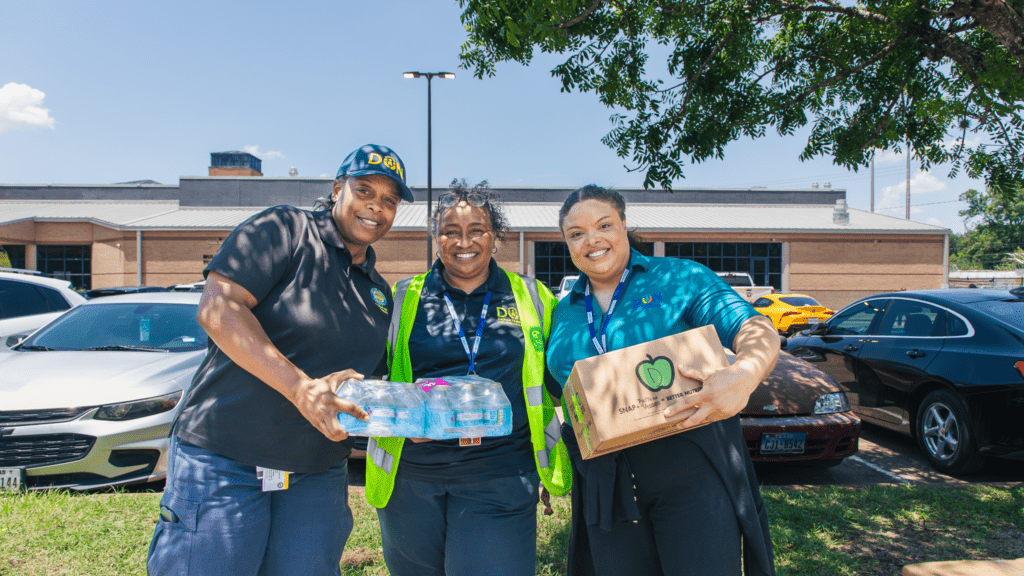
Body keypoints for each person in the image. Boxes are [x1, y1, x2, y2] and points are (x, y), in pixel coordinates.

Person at [146, 144, 414, 576]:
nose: (375, 207)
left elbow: (362, 384)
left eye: (389, 200)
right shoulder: (284, 229)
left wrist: (411, 417)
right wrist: (300, 389)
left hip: (315, 472)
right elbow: (218, 308)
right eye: (364, 190)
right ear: (337, 189)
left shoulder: (378, 292)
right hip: (227, 458)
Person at [546, 185, 781, 576]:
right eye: (576, 233)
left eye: (604, 225)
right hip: (605, 479)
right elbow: (558, 395)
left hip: (690, 469)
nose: (592, 240)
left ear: (624, 225)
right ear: (567, 243)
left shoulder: (679, 278)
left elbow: (754, 327)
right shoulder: (563, 311)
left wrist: (746, 372)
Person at [364, 180, 571, 576]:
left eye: (477, 230)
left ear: (495, 237)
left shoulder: (532, 297)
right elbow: (372, 375)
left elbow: (561, 380)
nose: (464, 242)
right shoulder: (404, 296)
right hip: (413, 479)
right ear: (436, 239)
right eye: (450, 231)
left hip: (501, 475)